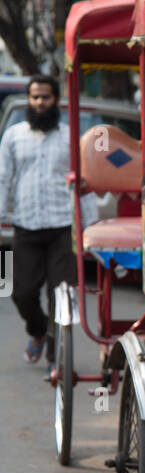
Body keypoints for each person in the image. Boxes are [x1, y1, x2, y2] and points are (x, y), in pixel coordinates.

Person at [0, 74, 96, 365]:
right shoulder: (13, 135)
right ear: (29, 100)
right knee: (18, 291)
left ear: (56, 100)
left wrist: (90, 229)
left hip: (62, 227)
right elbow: (3, 178)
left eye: (46, 97)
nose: (40, 102)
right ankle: (38, 331)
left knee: (61, 293)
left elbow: (83, 183)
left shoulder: (71, 137)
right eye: (35, 97)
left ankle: (57, 358)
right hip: (25, 225)